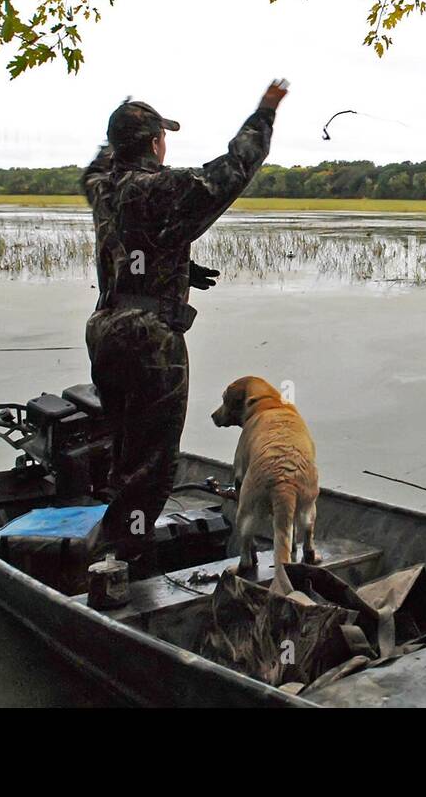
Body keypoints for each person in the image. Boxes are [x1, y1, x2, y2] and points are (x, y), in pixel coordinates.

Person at [82, 79, 290, 559]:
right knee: (153, 464)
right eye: (162, 136)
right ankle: (119, 562)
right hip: (149, 338)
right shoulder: (162, 188)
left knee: (123, 446)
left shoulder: (102, 187)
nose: (166, 144)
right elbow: (234, 169)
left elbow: (132, 232)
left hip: (105, 329)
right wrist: (265, 112)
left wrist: (178, 266)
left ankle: (112, 542)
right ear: (155, 143)